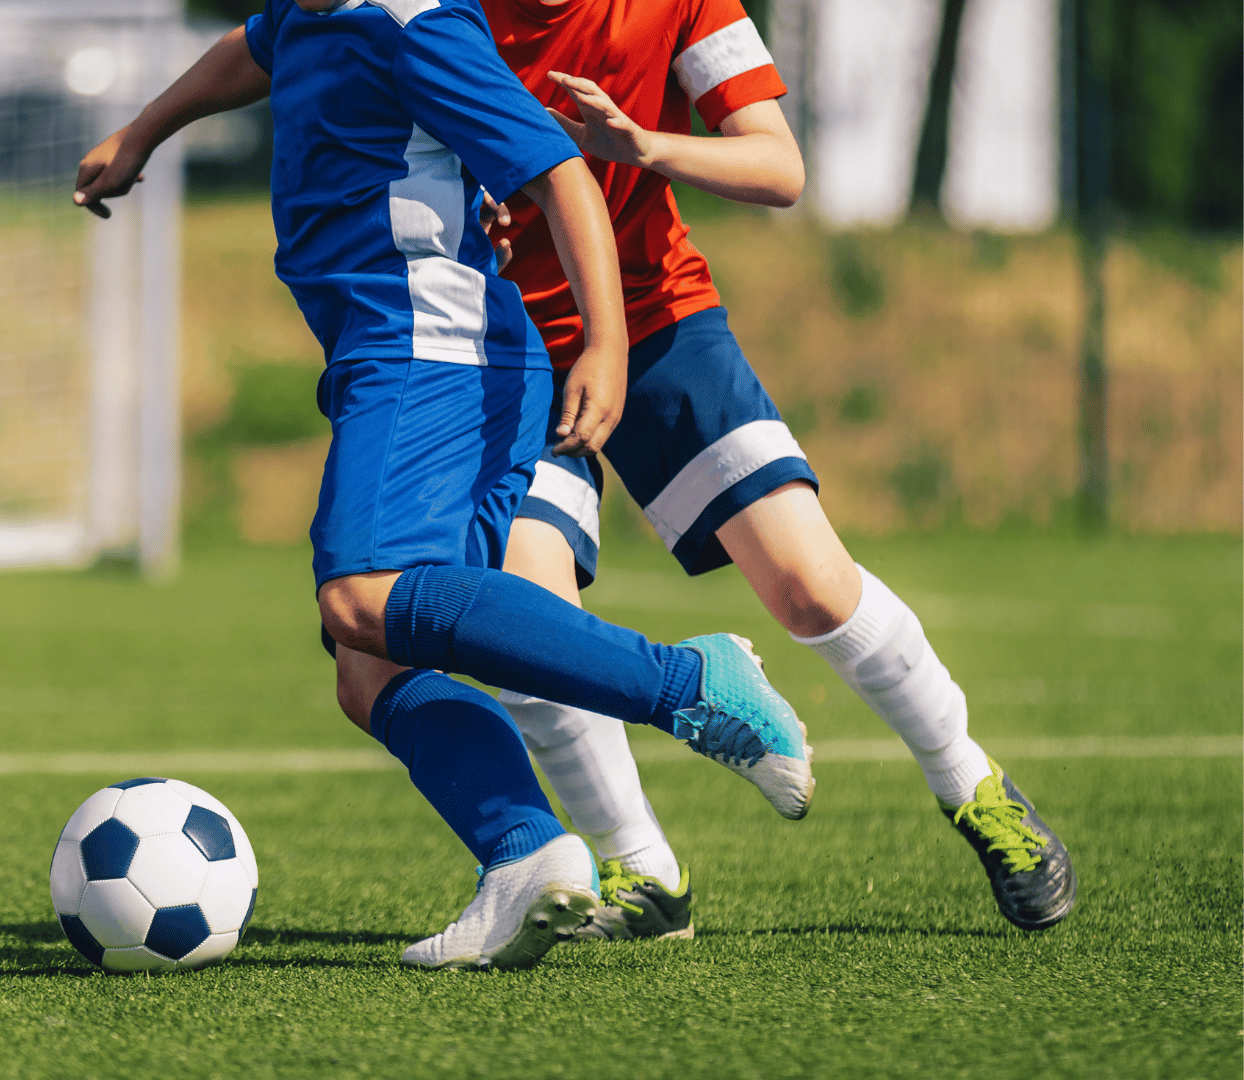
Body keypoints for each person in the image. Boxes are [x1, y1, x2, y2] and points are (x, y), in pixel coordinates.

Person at [75, 0, 814, 971]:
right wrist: (142, 132)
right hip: (399, 356)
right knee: (367, 665)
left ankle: (690, 682)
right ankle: (526, 856)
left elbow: (560, 177)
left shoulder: (415, 23)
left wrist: (606, 340)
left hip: (436, 354)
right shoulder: (312, 12)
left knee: (359, 595)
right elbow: (242, 54)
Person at [441, 0, 1073, 936]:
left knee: (810, 587)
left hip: (657, 323)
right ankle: (643, 871)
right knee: (526, 614)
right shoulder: (439, 11)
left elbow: (779, 167)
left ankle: (972, 784)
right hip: (507, 343)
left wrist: (641, 145)